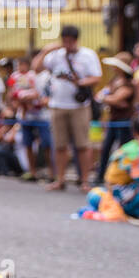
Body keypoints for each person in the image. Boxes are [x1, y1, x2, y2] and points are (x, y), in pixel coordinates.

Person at [34, 24, 102, 191]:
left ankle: (84, 181)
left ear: (76, 40)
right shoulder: (56, 55)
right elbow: (36, 68)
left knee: (83, 144)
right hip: (57, 105)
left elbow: (96, 77)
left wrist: (78, 82)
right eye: (64, 41)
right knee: (59, 145)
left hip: (79, 106)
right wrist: (46, 50)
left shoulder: (88, 55)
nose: (67, 44)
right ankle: (60, 179)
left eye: (70, 41)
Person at [7, 55, 50, 180]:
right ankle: (31, 171)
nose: (21, 67)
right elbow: (11, 94)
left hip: (40, 115)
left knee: (47, 144)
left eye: (23, 64)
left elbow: (38, 93)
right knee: (27, 144)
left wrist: (28, 98)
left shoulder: (34, 76)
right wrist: (17, 101)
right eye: (19, 65)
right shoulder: (14, 76)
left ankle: (52, 172)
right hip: (25, 115)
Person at [96, 52, 136, 180]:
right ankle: (101, 175)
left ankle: (124, 176)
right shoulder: (114, 80)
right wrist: (111, 99)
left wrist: (109, 99)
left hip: (125, 121)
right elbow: (105, 97)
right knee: (106, 148)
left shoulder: (129, 83)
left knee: (123, 149)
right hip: (113, 120)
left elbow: (116, 99)